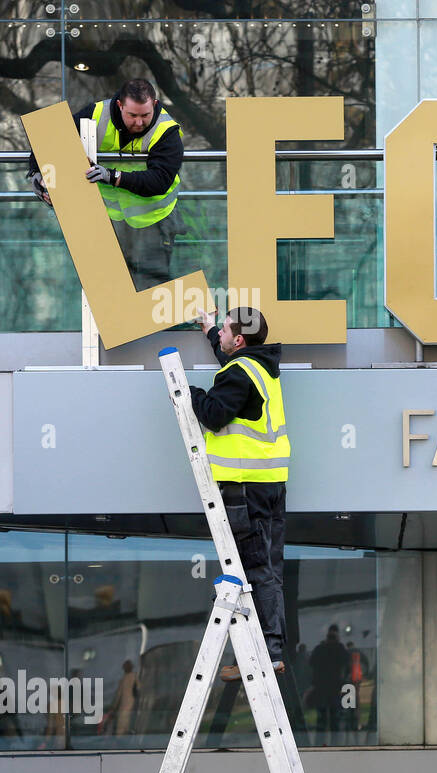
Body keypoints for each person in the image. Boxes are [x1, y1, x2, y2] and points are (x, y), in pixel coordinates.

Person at [189, 307, 290, 681]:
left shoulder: (238, 372)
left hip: (245, 484)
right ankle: (272, 650)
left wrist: (190, 392)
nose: (221, 337)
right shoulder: (261, 366)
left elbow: (215, 413)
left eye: (226, 329)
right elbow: (232, 366)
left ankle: (268, 653)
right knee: (269, 568)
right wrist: (211, 329)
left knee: (255, 570)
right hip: (270, 484)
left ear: (240, 339)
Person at [27, 78, 185, 289]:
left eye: (145, 115)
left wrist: (113, 176)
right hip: (107, 219)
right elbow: (50, 141)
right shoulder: (96, 113)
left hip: (155, 219)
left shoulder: (166, 130)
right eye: (132, 115)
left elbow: (159, 181)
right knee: (109, 288)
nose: (139, 122)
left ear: (155, 105)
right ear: (119, 105)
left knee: (152, 287)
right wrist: (37, 173)